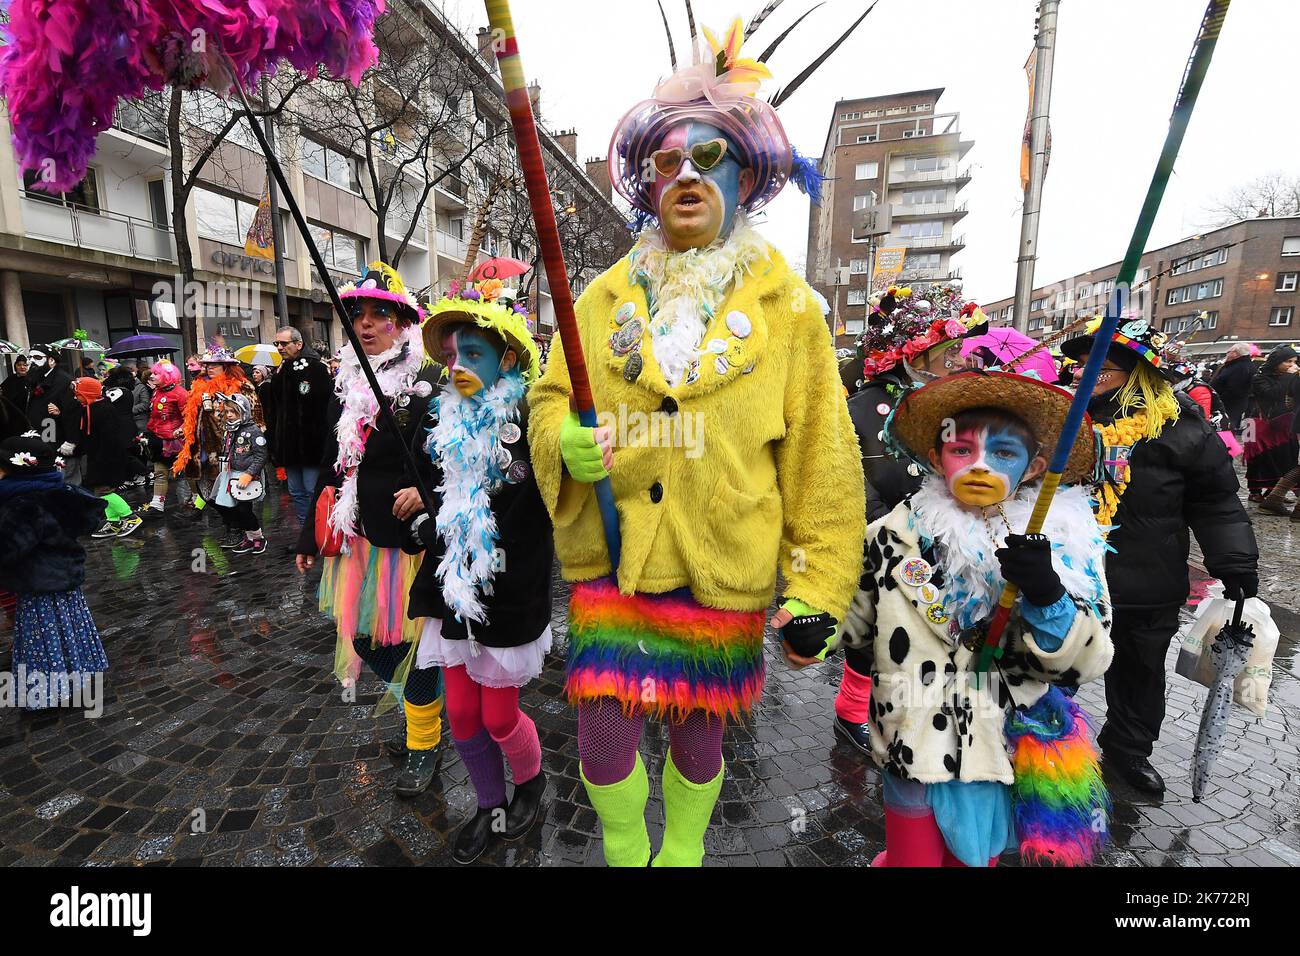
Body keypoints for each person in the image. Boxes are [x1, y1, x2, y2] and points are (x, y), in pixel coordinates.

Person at [528, 21, 865, 867]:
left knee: (699, 738)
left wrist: (819, 587)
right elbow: (547, 396)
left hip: (724, 564)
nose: (684, 175)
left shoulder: (790, 310)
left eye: (706, 157)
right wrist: (562, 438)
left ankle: (679, 854)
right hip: (616, 557)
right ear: (645, 180)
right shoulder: (601, 298)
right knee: (603, 740)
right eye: (667, 161)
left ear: (745, 176)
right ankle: (620, 850)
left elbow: (824, 459)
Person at [835, 371, 1112, 867]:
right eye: (962, 450)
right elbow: (853, 624)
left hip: (999, 749)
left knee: (975, 860)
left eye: (1003, 454)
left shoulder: (1068, 547)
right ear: (937, 456)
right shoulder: (891, 537)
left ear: (1034, 468)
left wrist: (1047, 594)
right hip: (911, 744)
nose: (980, 466)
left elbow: (1084, 665)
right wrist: (809, 621)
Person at [1061, 319, 1258, 796]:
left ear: (1135, 369)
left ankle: (1128, 750)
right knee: (1056, 662)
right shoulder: (1060, 415)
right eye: (1081, 361)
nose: (1084, 370)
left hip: (1146, 578)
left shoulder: (1182, 425)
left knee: (1140, 669)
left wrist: (1234, 563)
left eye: (1098, 362)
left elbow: (1215, 500)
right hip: (1068, 576)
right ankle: (1047, 748)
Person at [407, 276, 553, 862]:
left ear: (508, 358)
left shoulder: (533, 426)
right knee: (462, 711)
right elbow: (420, 490)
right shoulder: (436, 423)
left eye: (474, 354)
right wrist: (421, 519)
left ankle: (533, 784)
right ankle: (489, 804)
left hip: (508, 590)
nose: (458, 366)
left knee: (498, 715)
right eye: (451, 356)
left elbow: (549, 506)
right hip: (451, 586)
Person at [295, 262, 444, 798]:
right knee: (362, 637)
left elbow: (449, 456)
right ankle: (423, 706)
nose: (366, 323)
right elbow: (337, 463)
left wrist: (425, 491)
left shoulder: (427, 381)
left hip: (405, 542)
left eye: (381, 314)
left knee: (414, 645)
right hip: (356, 536)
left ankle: (424, 743)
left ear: (404, 322)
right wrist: (309, 538)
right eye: (359, 313)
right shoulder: (350, 381)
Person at [833, 290, 995, 752]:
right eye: (948, 353)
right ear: (914, 354)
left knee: (932, 628)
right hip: (884, 540)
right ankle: (851, 710)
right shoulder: (863, 408)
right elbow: (852, 482)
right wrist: (889, 529)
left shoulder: (951, 405)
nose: (957, 360)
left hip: (941, 539)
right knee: (873, 632)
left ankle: (922, 712)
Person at [0, 433, 109, 711]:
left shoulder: (24, 503)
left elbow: (9, 546)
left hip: (40, 583)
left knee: (45, 636)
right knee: (70, 629)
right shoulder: (61, 493)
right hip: (65, 578)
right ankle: (80, 674)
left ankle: (48, 690)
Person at [172, 347, 262, 536]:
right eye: (206, 365)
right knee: (208, 494)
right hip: (203, 449)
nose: (209, 368)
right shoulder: (199, 386)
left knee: (232, 493)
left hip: (231, 450)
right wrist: (184, 429)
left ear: (226, 367)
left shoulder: (242, 386)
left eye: (214, 365)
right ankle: (232, 524)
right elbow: (193, 416)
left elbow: (256, 419)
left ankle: (240, 529)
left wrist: (247, 447)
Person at [262, 326, 332, 523]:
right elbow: (275, 410)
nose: (279, 348)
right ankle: (304, 533)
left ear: (298, 344)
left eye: (284, 343)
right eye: (277, 344)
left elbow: (326, 409)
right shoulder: (281, 371)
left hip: (312, 446)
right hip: (289, 447)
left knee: (313, 490)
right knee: (296, 491)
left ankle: (319, 535)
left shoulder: (316, 368)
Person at [59, 376, 141, 537]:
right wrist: (75, 447)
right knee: (99, 490)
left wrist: (103, 458)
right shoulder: (88, 409)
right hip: (96, 456)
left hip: (107, 458)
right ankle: (114, 520)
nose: (76, 397)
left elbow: (110, 439)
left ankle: (129, 516)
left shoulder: (103, 410)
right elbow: (86, 435)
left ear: (87, 394)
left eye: (78, 394)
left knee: (104, 491)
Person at [210, 393, 268, 555]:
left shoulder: (253, 430)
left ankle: (258, 538)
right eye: (227, 411)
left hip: (247, 477)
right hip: (232, 474)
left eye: (234, 412)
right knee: (232, 507)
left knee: (244, 509)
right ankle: (249, 538)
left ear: (243, 412)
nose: (229, 415)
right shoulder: (230, 430)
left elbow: (261, 455)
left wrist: (249, 474)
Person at [1244, 345, 1300, 503]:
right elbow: (1271, 394)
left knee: (1285, 457)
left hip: (1285, 424)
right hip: (1260, 424)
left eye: (1294, 361)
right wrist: (1289, 378)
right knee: (1259, 459)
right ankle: (1254, 492)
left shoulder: (1293, 377)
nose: (1292, 365)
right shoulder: (1259, 377)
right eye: (1288, 361)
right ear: (1277, 362)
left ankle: (1274, 493)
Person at [138, 360, 190, 519]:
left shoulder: (180, 393)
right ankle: (157, 504)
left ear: (167, 376)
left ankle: (196, 500)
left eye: (156, 373)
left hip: (176, 441)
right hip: (158, 439)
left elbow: (189, 416)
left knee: (188, 473)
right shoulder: (157, 391)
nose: (152, 376)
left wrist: (180, 431)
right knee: (160, 472)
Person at [22, 343, 75, 443]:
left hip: (55, 437)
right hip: (37, 434)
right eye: (30, 357)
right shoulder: (35, 377)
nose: (31, 361)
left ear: (51, 361)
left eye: (37, 357)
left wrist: (71, 441)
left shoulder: (65, 381)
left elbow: (73, 415)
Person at [1210, 342, 1257, 432]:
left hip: (1228, 405)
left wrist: (1218, 400)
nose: (1227, 353)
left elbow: (1234, 389)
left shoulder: (1241, 367)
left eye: (1229, 351)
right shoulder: (1234, 365)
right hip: (1227, 404)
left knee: (1225, 428)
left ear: (1236, 353)